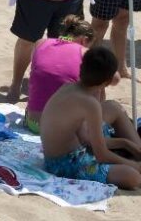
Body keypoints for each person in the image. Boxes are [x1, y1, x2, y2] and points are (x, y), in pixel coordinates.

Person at [40, 47, 141, 188]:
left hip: (68, 152)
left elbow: (85, 138)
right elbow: (101, 155)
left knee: (113, 107)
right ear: (107, 82)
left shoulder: (68, 87)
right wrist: (134, 165)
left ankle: (136, 150)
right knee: (132, 177)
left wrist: (125, 143)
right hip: (64, 163)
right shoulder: (90, 103)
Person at [25, 15, 95, 133]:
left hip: (33, 123)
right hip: (64, 129)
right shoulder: (86, 53)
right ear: (84, 40)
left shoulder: (40, 43)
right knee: (98, 90)